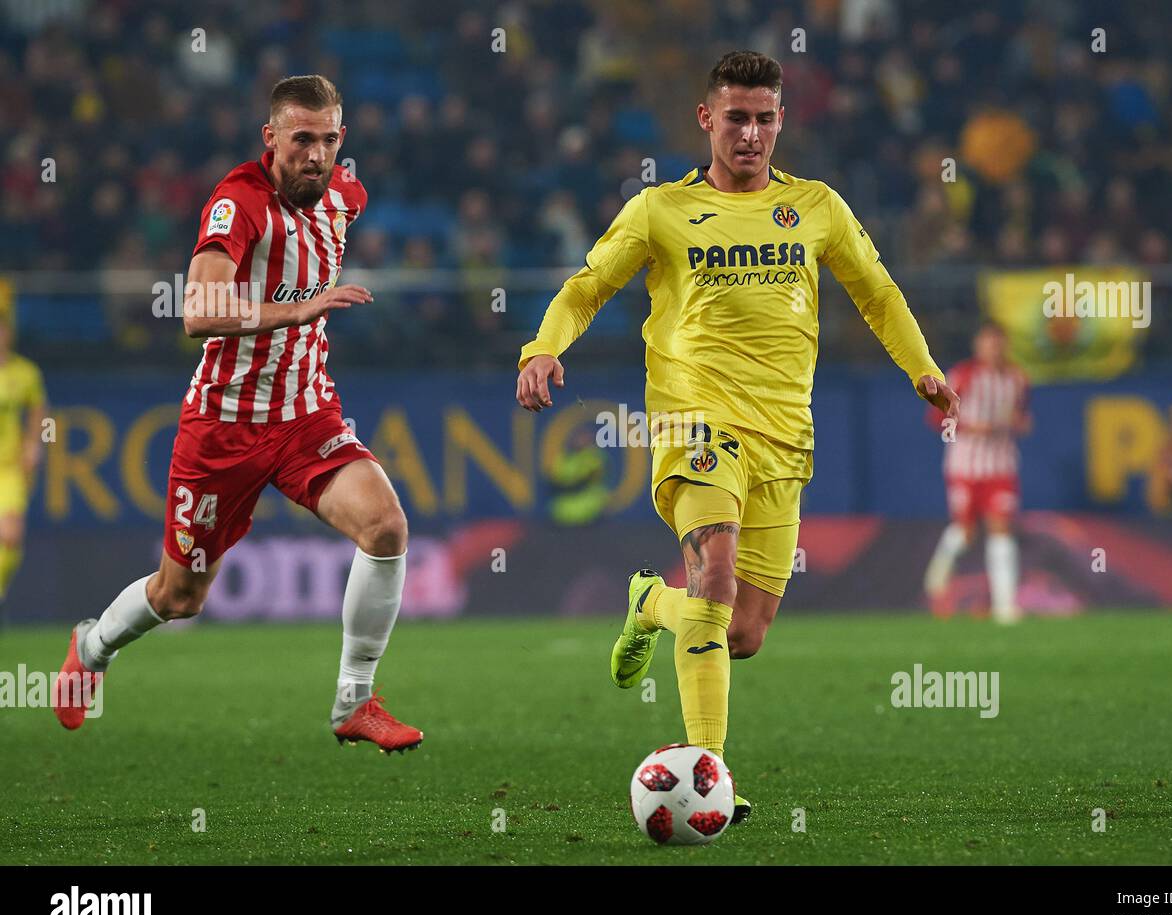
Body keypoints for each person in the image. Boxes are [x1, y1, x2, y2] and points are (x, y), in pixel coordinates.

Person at [516, 51, 958, 822]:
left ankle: (652, 603)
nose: (750, 134)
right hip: (694, 419)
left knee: (743, 634)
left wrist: (921, 368)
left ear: (781, 121)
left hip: (784, 437)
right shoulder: (661, 210)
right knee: (715, 583)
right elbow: (587, 286)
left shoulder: (817, 206)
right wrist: (543, 347)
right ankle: (709, 778)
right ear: (705, 120)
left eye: (763, 119)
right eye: (735, 119)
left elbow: (877, 291)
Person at [54, 75, 422, 753]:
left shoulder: (346, 196)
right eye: (302, 138)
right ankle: (94, 646)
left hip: (307, 412)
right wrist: (298, 309)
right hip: (223, 427)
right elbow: (197, 313)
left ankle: (354, 702)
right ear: (271, 138)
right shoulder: (237, 203)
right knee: (179, 597)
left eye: (330, 139)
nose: (317, 154)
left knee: (386, 526)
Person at [923, 324, 1031, 624]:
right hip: (965, 466)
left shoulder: (1018, 378)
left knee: (1001, 527)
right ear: (978, 346)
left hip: (1001, 465)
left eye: (998, 344)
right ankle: (943, 560)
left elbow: (1020, 414)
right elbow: (935, 417)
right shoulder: (962, 376)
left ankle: (1005, 606)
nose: (993, 350)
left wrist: (1021, 423)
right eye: (988, 344)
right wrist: (972, 427)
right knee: (966, 532)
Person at [0, 314, 48, 617]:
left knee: (11, 535)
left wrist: (36, 444)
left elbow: (41, 414)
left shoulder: (25, 372)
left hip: (8, 467)